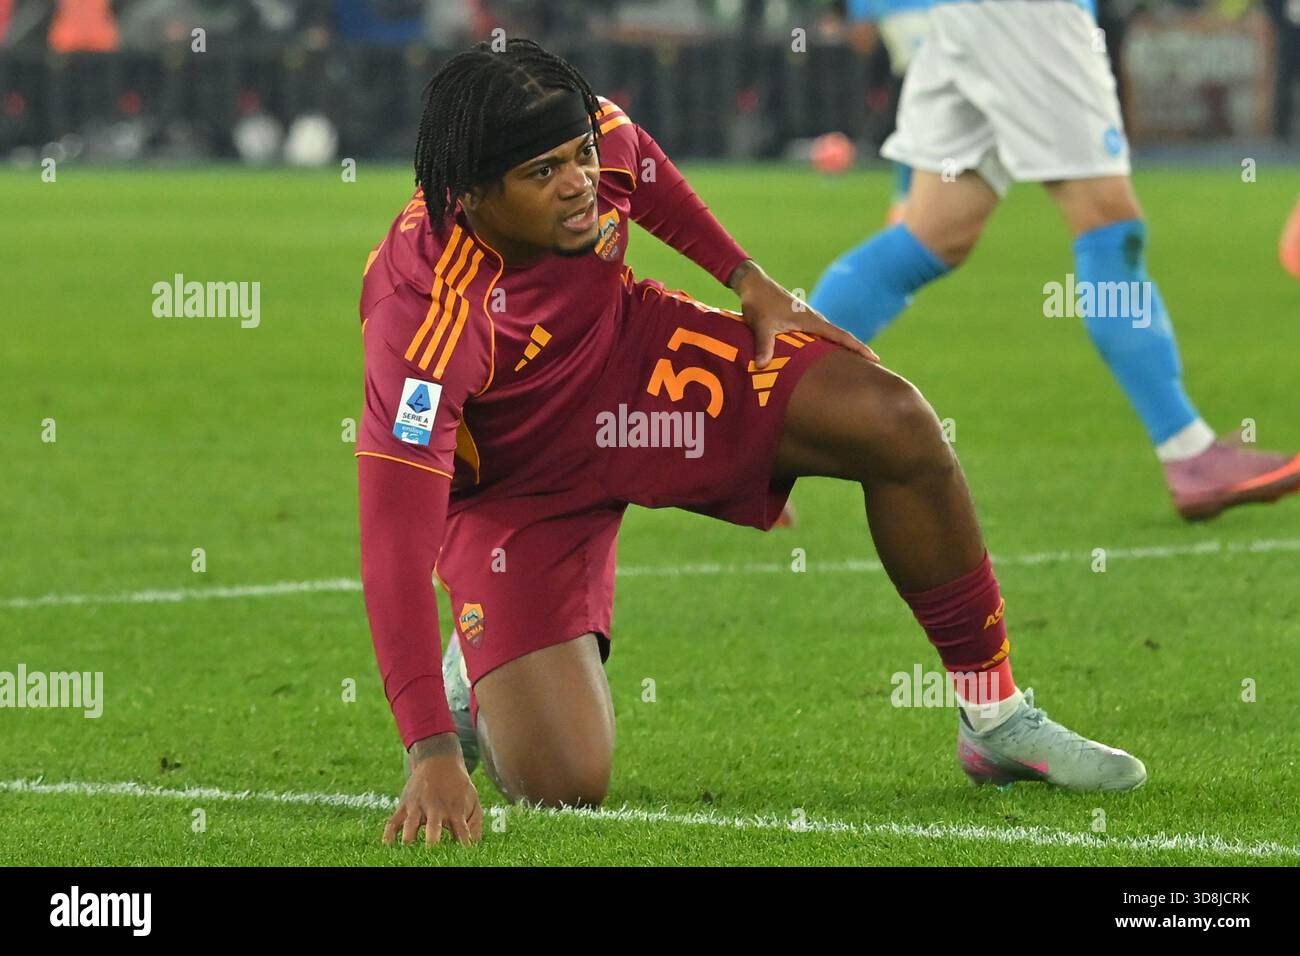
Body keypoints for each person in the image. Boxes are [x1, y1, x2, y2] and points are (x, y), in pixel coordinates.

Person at [357, 39, 1147, 847]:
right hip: (523, 492)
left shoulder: (583, 141)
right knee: (565, 786)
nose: (580, 185)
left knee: (896, 423)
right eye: (545, 173)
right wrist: (431, 751)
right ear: (475, 194)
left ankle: (996, 716)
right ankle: (479, 669)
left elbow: (645, 167)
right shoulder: (421, 317)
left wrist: (746, 277)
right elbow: (391, 546)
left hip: (633, 361)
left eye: (582, 156)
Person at [810, 0, 1300, 522]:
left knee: (931, 235)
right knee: (1110, 227)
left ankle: (760, 412)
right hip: (1032, 14)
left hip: (962, 17)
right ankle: (1189, 453)